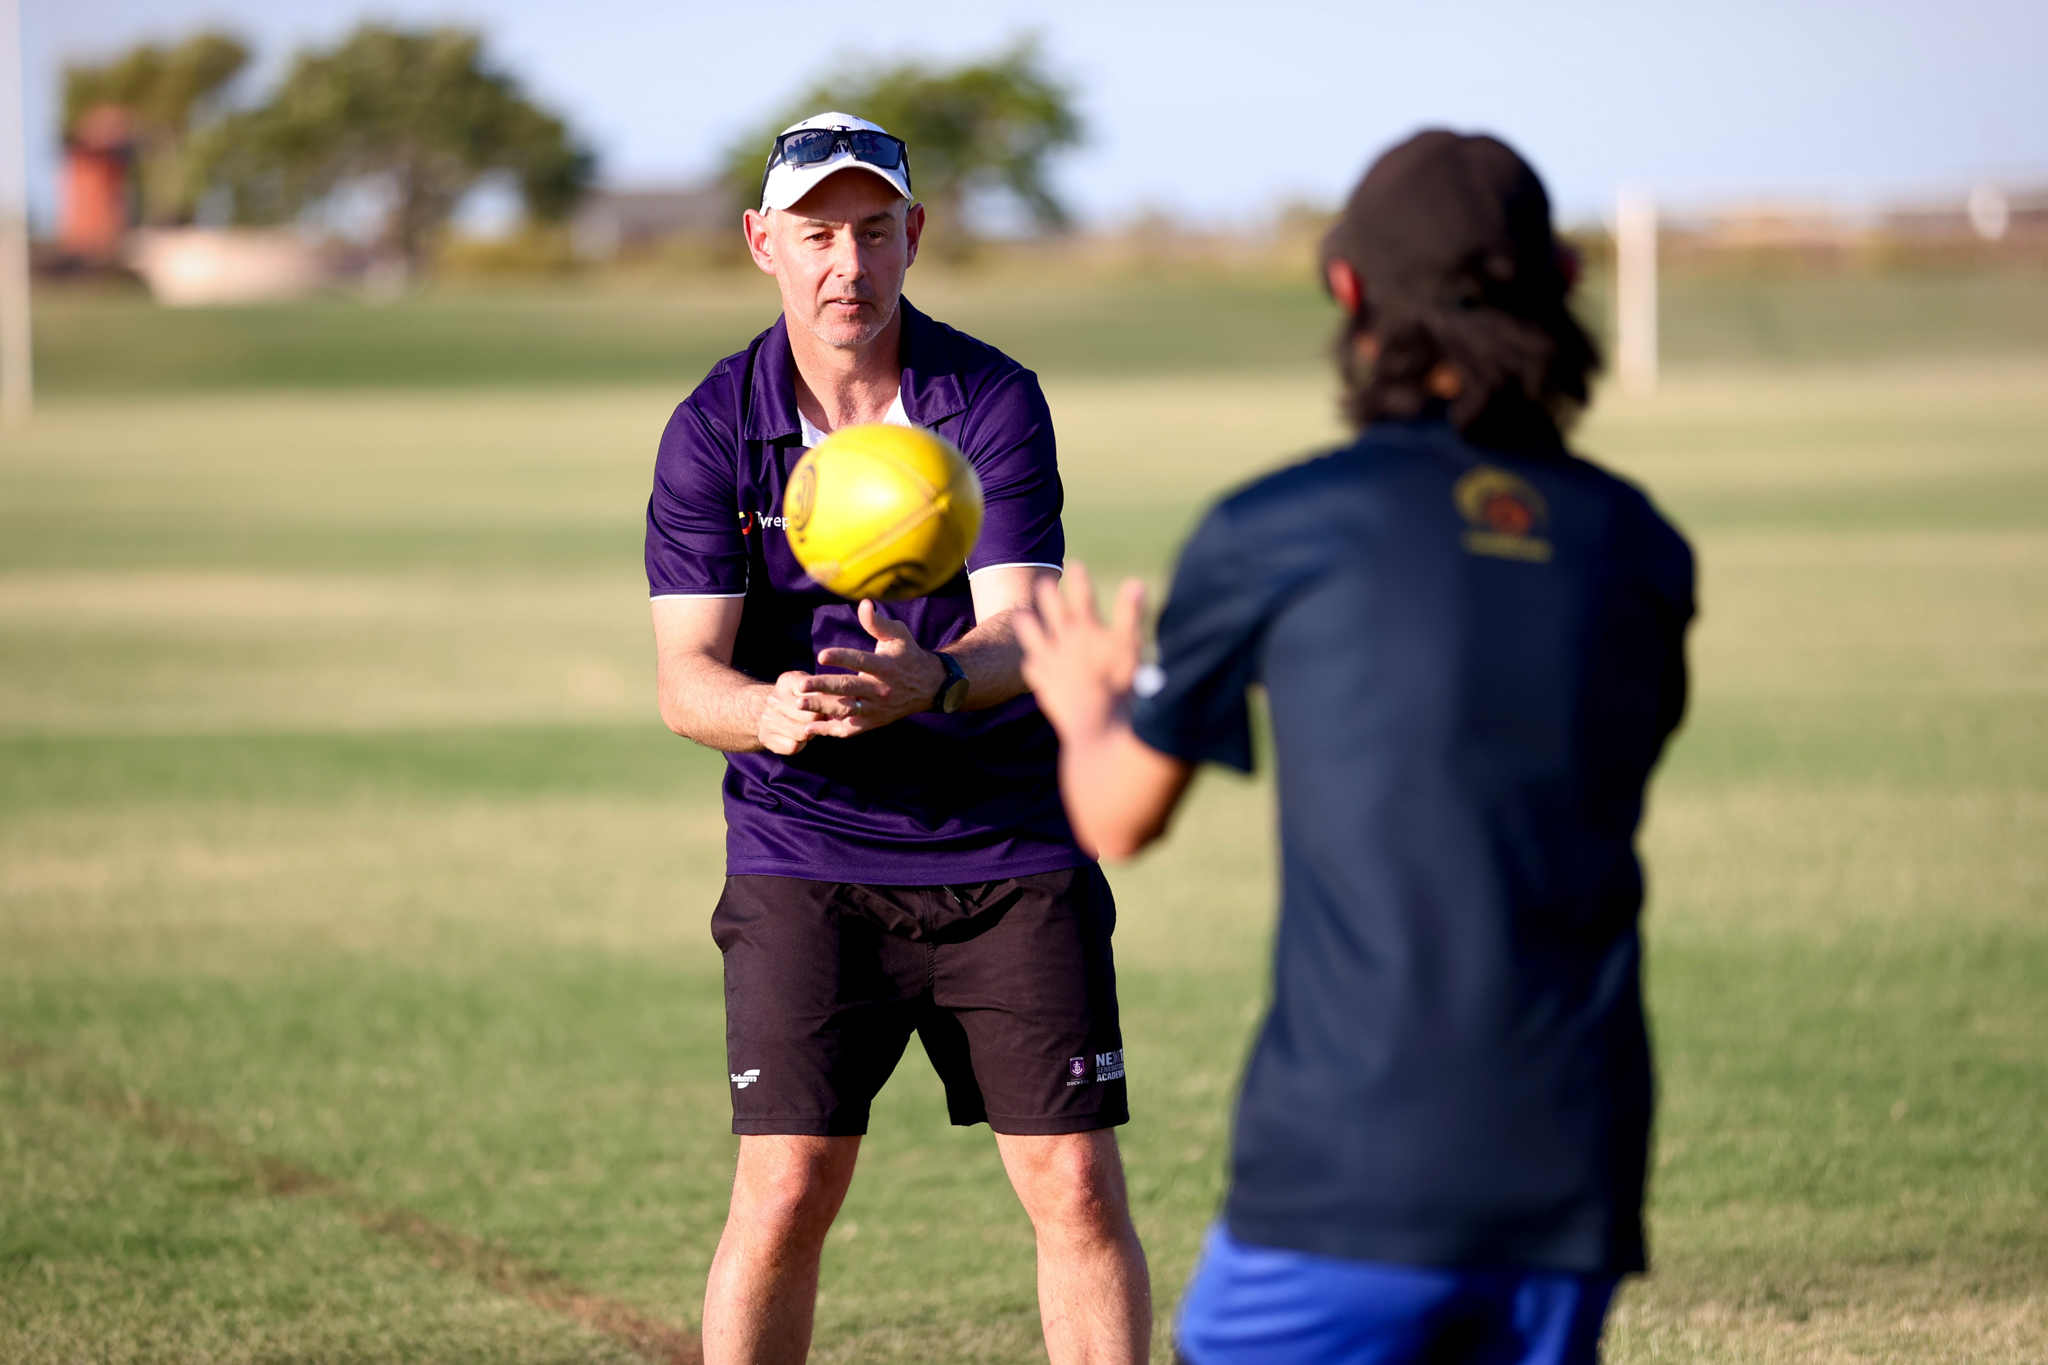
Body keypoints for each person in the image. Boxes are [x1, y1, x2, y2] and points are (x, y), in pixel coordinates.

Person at [1017, 130, 1695, 1365]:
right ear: (1559, 284)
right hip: (1575, 1164)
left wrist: (1084, 705)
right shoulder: (1639, 545)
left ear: (1347, 290)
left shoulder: (1276, 527)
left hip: (1345, 1167)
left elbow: (1116, 815)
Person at [644, 113, 1150, 1365]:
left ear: (914, 235)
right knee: (784, 1190)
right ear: (761, 242)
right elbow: (685, 680)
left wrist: (933, 680)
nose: (847, 266)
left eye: (874, 233)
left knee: (1076, 1189)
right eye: (817, 235)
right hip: (804, 852)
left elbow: (1025, 630)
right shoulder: (715, 427)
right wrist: (766, 711)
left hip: (1009, 846)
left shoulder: (988, 398)